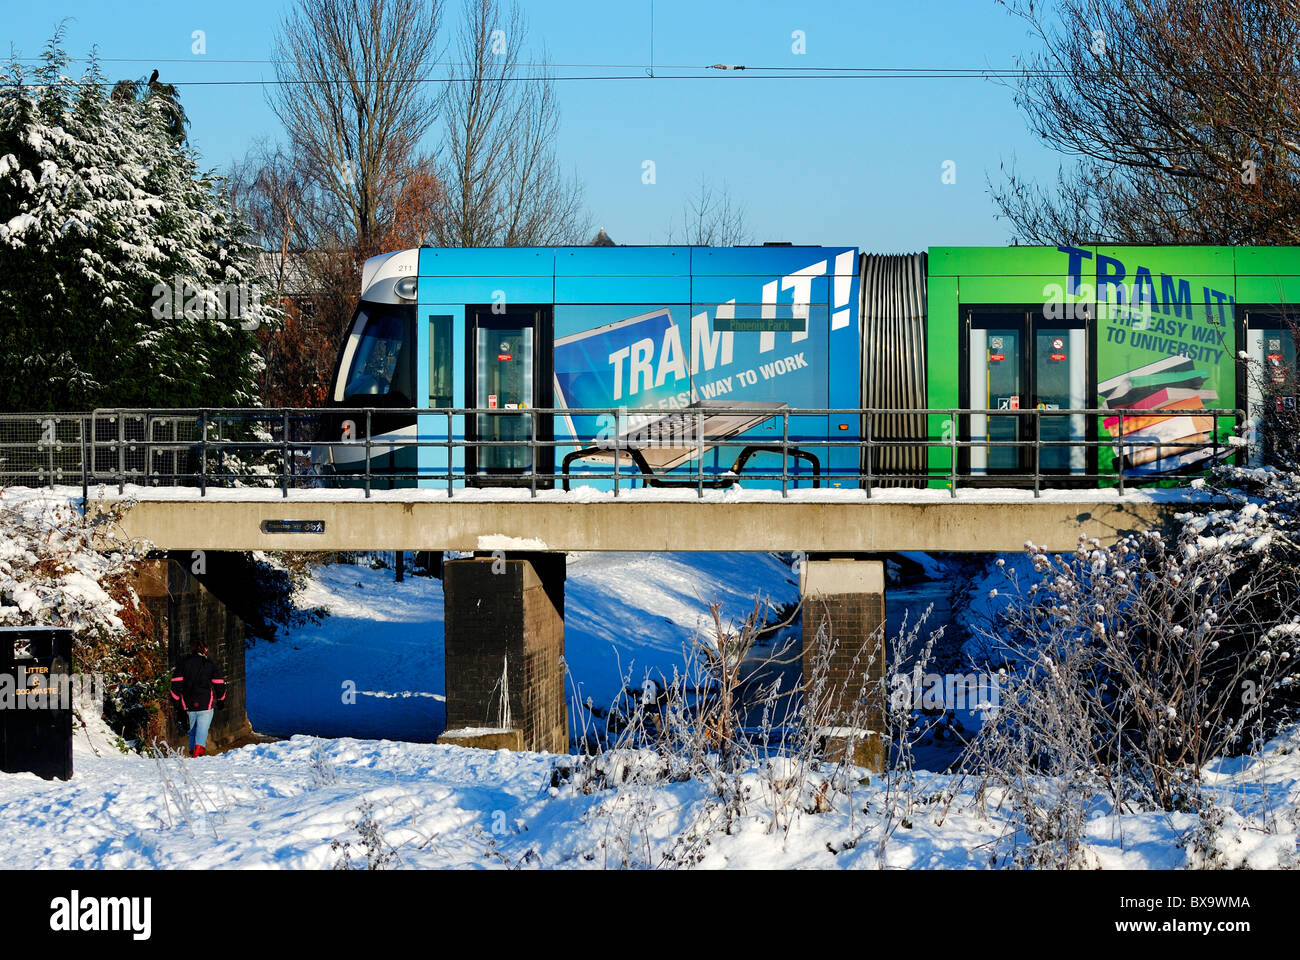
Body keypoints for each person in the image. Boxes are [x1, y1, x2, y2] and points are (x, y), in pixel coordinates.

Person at [170, 641, 226, 757]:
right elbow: (219, 683)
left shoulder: (183, 663)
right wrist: (221, 699)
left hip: (188, 704)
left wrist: (177, 704)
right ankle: (198, 754)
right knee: (202, 731)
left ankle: (192, 754)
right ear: (204, 650)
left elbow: (175, 685)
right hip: (206, 703)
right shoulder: (209, 664)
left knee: (192, 732)